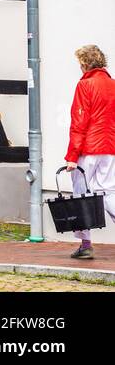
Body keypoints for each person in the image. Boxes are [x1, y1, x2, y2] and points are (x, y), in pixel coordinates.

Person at [65, 45, 115, 259]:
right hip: (110, 148)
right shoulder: (113, 85)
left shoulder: (85, 85)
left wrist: (72, 157)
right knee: (109, 192)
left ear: (85, 63)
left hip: (88, 149)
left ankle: (86, 245)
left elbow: (79, 122)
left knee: (81, 195)